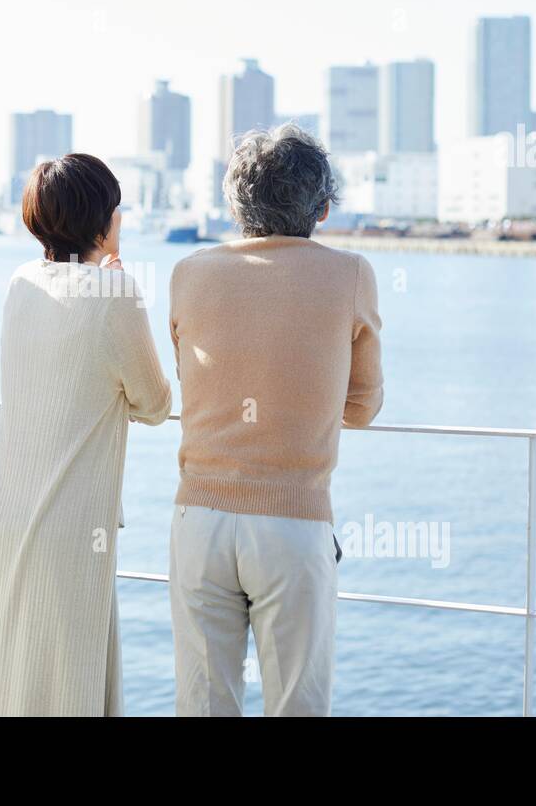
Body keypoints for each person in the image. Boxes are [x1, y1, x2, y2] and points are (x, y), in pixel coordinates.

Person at [168, 123, 384, 717]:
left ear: (235, 203)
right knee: (297, 705)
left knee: (203, 704)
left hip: (199, 517)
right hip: (292, 521)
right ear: (323, 207)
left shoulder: (189, 273)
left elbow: (196, 382)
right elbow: (363, 407)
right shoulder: (350, 275)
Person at [0, 154, 171, 717]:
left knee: (0, 676)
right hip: (64, 526)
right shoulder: (115, 297)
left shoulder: (22, 281)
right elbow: (154, 404)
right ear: (104, 221)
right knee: (65, 684)